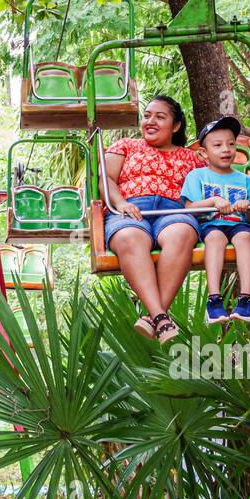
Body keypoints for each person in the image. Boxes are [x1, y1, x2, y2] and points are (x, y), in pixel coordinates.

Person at [103, 95, 203, 344]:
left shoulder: (191, 158)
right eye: (147, 115)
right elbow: (106, 179)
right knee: (128, 236)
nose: (150, 121)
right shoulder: (126, 145)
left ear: (176, 125)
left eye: (160, 117)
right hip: (130, 208)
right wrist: (121, 203)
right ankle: (161, 317)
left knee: (182, 233)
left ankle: (153, 318)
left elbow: (209, 185)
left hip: (172, 211)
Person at [181, 116, 250, 324]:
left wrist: (247, 209)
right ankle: (214, 300)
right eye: (218, 145)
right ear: (203, 153)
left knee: (246, 238)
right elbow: (189, 209)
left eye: (231, 144)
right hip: (211, 225)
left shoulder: (244, 180)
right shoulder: (197, 176)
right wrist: (213, 200)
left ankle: (246, 300)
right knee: (216, 238)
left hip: (239, 224)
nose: (226, 149)